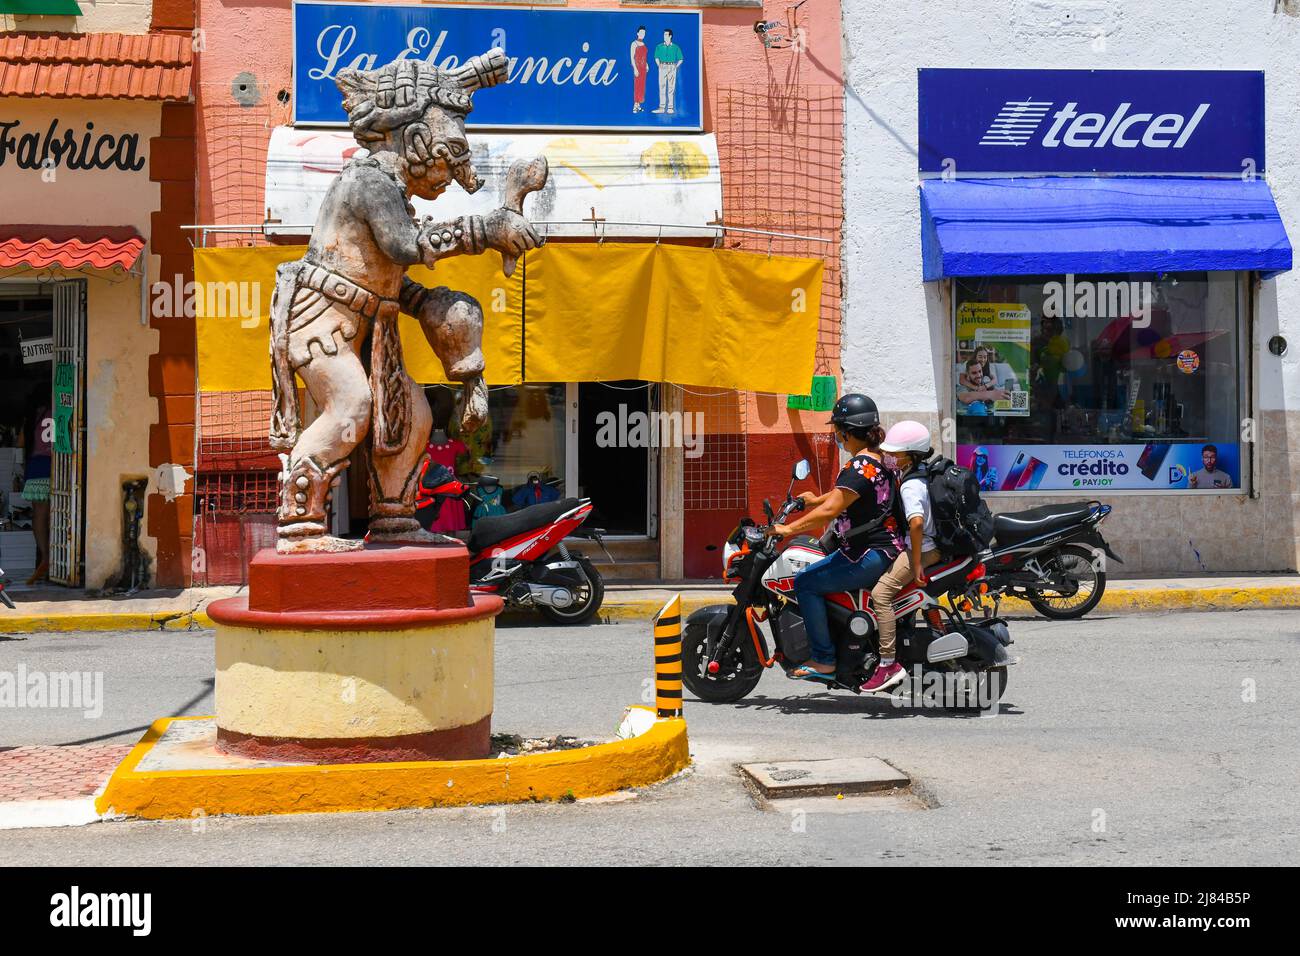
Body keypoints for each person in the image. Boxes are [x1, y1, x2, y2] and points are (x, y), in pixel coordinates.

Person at [771, 393, 903, 680]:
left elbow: (834, 508)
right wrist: (815, 499)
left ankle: (824, 660)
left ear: (846, 432)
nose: (837, 437)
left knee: (805, 582)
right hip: (884, 548)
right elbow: (850, 497)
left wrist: (788, 529)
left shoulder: (858, 466)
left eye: (837, 431)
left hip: (867, 553)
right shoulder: (883, 459)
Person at [863, 421, 943, 693]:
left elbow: (917, 524)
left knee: (881, 595)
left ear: (911, 454)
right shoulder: (921, 473)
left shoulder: (910, 486)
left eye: (895, 454)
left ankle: (887, 663)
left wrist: (917, 561)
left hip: (924, 548)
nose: (890, 457)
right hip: (931, 545)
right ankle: (932, 625)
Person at [19, 385, 52, 585]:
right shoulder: (58, 412)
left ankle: (45, 555)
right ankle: (52, 559)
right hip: (55, 467)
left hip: (36, 468)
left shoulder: (32, 416)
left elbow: (21, 443)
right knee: (53, 514)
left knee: (38, 515)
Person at [653, 29, 683, 115]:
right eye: (664, 34)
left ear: (670, 36)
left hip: (672, 66)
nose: (664, 36)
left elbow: (681, 59)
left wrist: (675, 67)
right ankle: (662, 107)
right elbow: (656, 57)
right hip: (662, 66)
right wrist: (659, 65)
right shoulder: (659, 46)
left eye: (666, 34)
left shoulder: (676, 47)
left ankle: (670, 107)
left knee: (671, 88)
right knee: (662, 87)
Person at [630, 27, 648, 113]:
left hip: (644, 68)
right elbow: (632, 58)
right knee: (637, 86)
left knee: (642, 87)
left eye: (644, 33)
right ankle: (635, 106)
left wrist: (647, 64)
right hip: (638, 67)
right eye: (641, 32)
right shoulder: (634, 44)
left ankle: (638, 105)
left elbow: (644, 56)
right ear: (637, 33)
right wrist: (635, 69)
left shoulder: (643, 44)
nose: (642, 34)